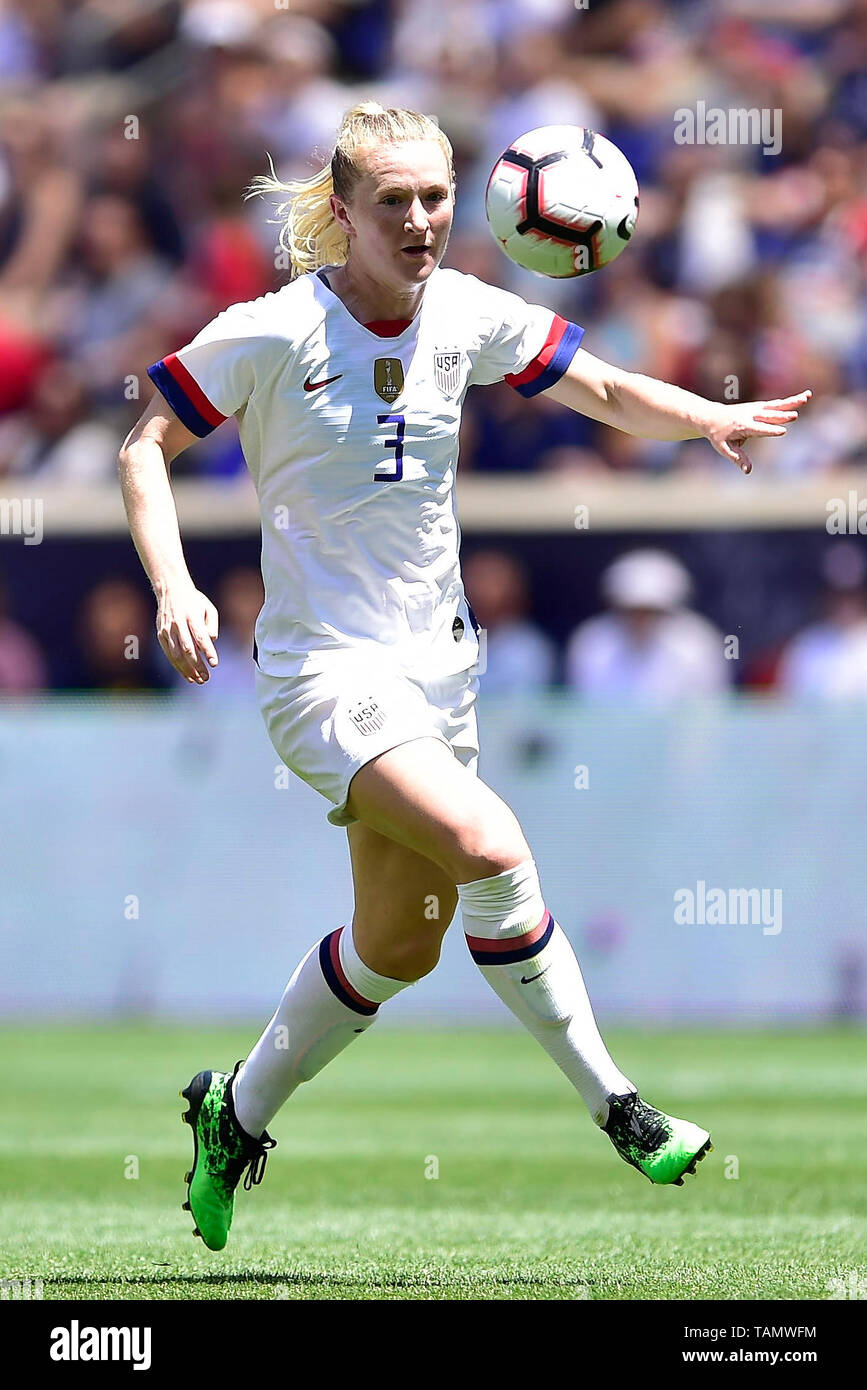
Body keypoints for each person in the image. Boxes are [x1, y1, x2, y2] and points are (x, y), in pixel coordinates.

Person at [118, 102, 810, 1252]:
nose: (421, 219)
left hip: (440, 671)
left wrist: (708, 418)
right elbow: (145, 438)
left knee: (398, 945)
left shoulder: (469, 314)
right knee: (493, 847)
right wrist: (174, 584)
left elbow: (600, 388)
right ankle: (618, 1105)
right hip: (324, 671)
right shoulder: (273, 330)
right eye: (393, 200)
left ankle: (230, 1117)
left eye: (436, 197)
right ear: (342, 213)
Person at [565, 548, 730, 700]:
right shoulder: (591, 642)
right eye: (631, 610)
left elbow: (708, 713)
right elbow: (586, 710)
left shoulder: (700, 644)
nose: (641, 619)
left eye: (652, 611)